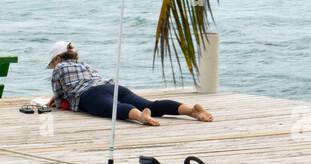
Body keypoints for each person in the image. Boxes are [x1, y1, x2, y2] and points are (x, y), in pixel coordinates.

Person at [45, 40, 213, 126]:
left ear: (58, 59)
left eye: (52, 64)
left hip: (90, 95)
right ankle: (192, 111)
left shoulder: (59, 68)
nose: (53, 67)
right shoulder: (84, 65)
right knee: (151, 104)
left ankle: (141, 116)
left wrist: (55, 103)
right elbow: (91, 80)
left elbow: (60, 98)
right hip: (113, 87)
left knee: (115, 108)